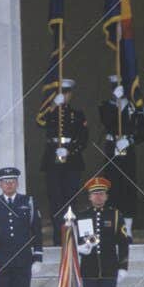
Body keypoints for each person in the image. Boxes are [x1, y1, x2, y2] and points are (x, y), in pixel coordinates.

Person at [76, 176, 127, 287]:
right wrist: (81, 248)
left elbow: (123, 243)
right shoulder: (82, 216)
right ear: (90, 197)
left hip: (109, 269)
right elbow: (75, 241)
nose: (98, 197)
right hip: (89, 270)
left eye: (101, 193)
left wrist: (123, 267)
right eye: (95, 194)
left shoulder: (115, 215)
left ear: (106, 196)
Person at [97, 77, 144, 230]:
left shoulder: (135, 106)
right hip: (112, 148)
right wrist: (116, 103)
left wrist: (130, 140)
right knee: (112, 185)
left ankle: (128, 227)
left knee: (128, 185)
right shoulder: (106, 106)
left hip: (127, 148)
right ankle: (112, 225)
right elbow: (107, 122)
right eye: (114, 87)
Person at [36, 77, 88, 226]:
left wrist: (69, 151)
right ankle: (58, 233)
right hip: (52, 159)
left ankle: (70, 231)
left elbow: (83, 139)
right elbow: (40, 122)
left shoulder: (77, 115)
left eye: (66, 92)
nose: (64, 95)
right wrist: (53, 105)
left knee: (70, 197)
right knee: (55, 197)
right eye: (61, 92)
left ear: (70, 94)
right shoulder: (50, 112)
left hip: (72, 161)